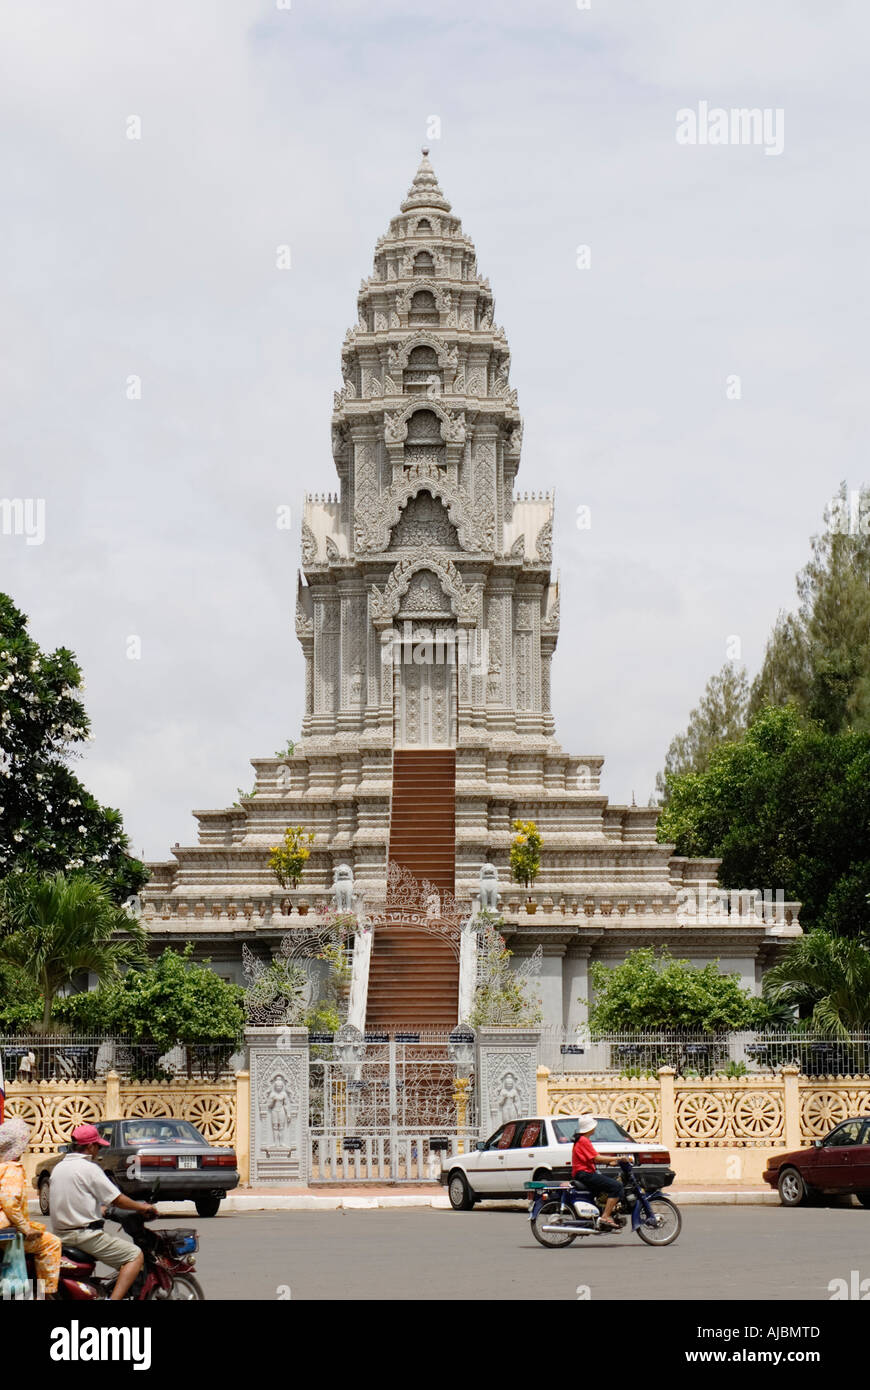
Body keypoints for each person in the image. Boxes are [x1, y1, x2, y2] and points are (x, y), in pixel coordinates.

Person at [49, 1123, 158, 1301]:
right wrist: (143, 1207)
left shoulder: (59, 1168)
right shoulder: (89, 1169)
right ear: (90, 1146)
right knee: (134, 1255)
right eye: (98, 1146)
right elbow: (118, 1199)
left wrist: (101, 1210)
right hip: (85, 1236)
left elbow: (74, 1198)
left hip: (62, 1234)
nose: (98, 1150)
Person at [0, 1117, 62, 1296]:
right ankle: (46, 1293)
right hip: (5, 1232)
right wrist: (25, 1228)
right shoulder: (13, 1168)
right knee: (51, 1243)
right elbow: (10, 1201)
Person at [570, 1114, 627, 1232]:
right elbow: (597, 1158)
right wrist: (616, 1159)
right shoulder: (583, 1140)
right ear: (590, 1128)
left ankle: (601, 1213)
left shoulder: (581, 1140)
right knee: (616, 1186)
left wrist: (611, 1162)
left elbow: (591, 1159)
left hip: (583, 1172)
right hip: (584, 1173)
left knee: (608, 1184)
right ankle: (605, 1216)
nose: (595, 1129)